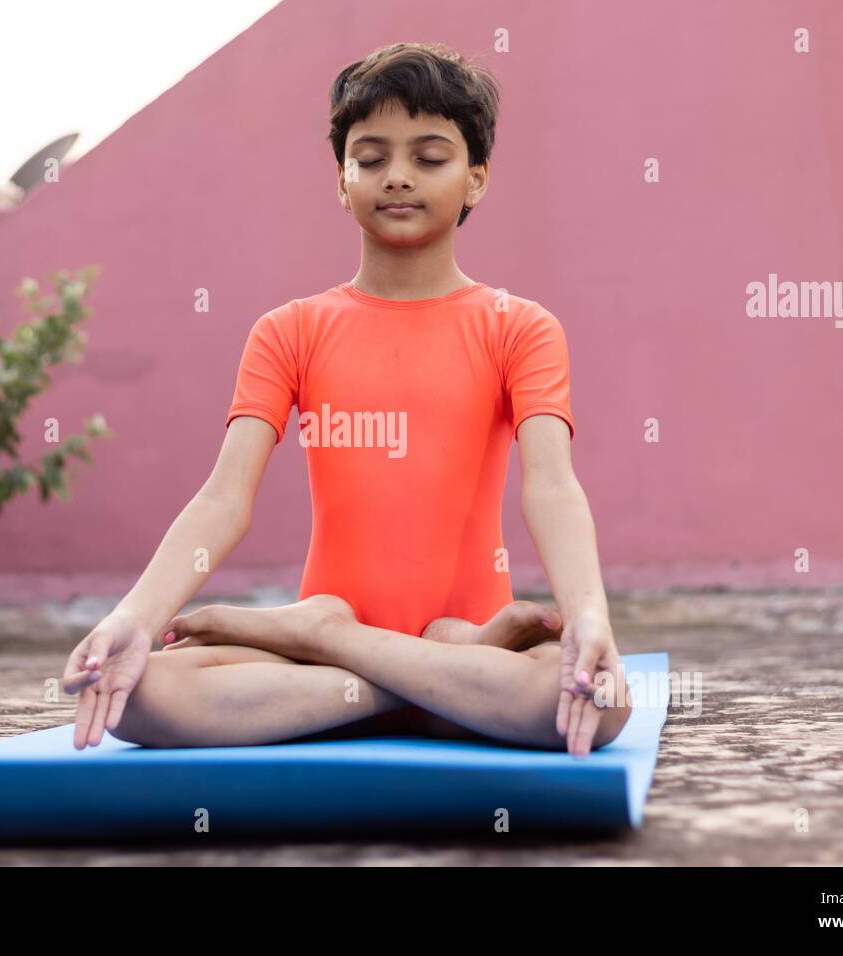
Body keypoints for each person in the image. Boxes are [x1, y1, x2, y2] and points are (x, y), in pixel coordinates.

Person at [61, 41, 632, 756]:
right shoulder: (289, 331)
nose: (396, 177)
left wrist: (587, 617)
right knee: (131, 693)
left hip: (436, 644)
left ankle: (334, 641)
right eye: (369, 159)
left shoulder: (518, 326)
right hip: (434, 664)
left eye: (429, 158)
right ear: (341, 180)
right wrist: (136, 618)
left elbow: (552, 485)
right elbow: (223, 499)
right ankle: (399, 677)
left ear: (476, 178)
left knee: (600, 703)